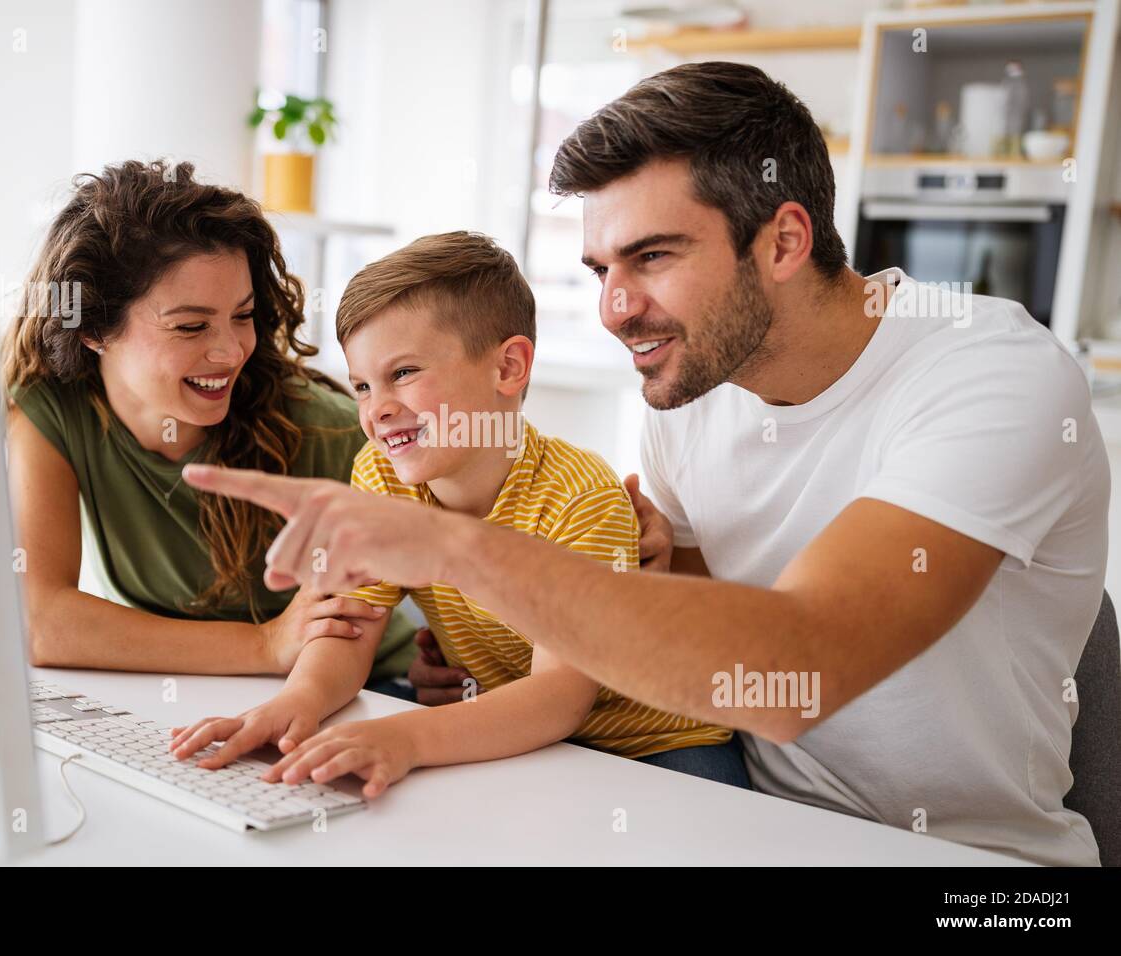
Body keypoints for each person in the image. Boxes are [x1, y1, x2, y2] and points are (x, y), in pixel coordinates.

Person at [181, 64, 1108, 866]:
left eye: (653, 257)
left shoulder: (989, 376)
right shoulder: (691, 393)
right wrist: (503, 654)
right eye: (597, 270)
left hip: (974, 872)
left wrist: (454, 550)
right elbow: (690, 625)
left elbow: (796, 672)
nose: (617, 308)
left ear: (783, 240)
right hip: (740, 815)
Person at [170, 232, 748, 793]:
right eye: (363, 386)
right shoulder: (380, 475)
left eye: (403, 373)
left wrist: (405, 740)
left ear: (508, 368)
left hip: (656, 746)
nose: (379, 411)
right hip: (516, 735)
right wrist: (294, 706)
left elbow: (559, 699)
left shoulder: (580, 498)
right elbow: (349, 628)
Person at [2, 159, 416, 688]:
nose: (230, 351)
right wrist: (265, 643)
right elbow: (40, 623)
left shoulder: (328, 431)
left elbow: (458, 561)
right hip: (208, 689)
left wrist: (455, 657)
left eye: (242, 316)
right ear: (93, 329)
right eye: (191, 326)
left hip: (376, 691)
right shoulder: (52, 407)